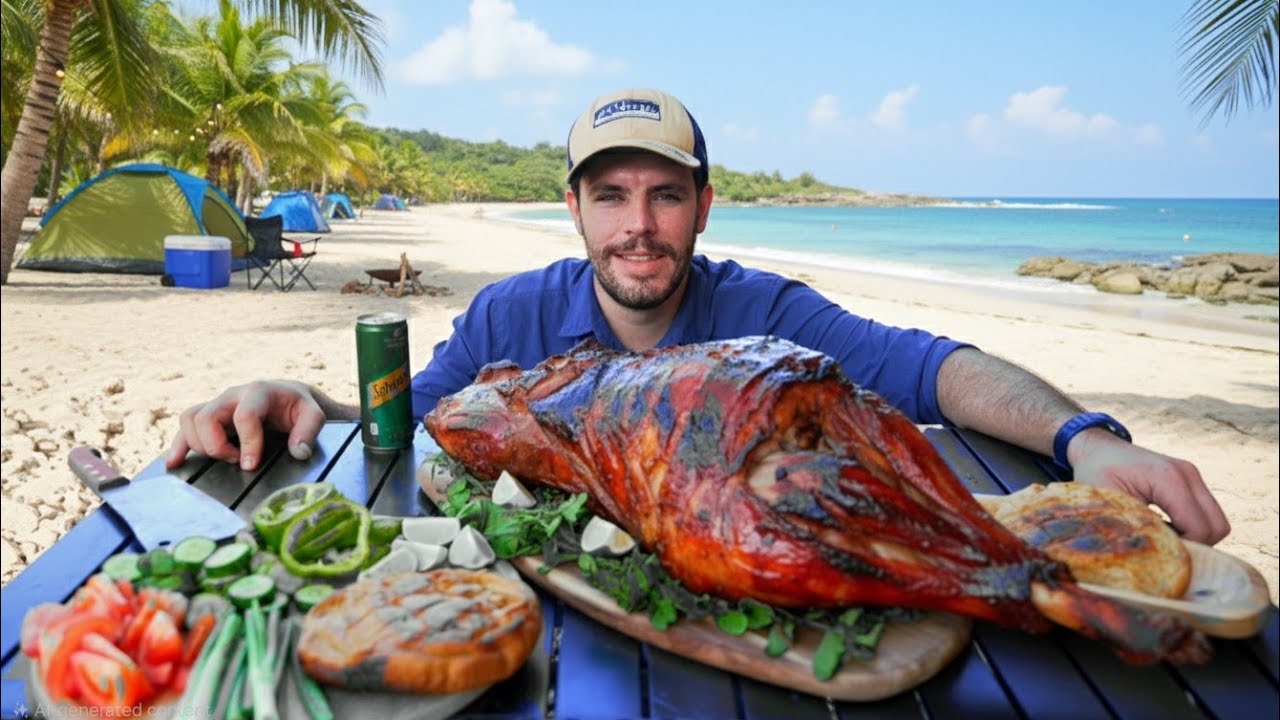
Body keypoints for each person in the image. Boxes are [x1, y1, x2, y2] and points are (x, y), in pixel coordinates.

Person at [166, 88, 1230, 545]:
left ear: (703, 206)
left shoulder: (764, 317)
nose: (639, 227)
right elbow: (401, 423)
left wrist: (1081, 440)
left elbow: (933, 369)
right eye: (613, 197)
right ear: (574, 209)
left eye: (664, 194)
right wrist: (292, 397)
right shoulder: (509, 318)